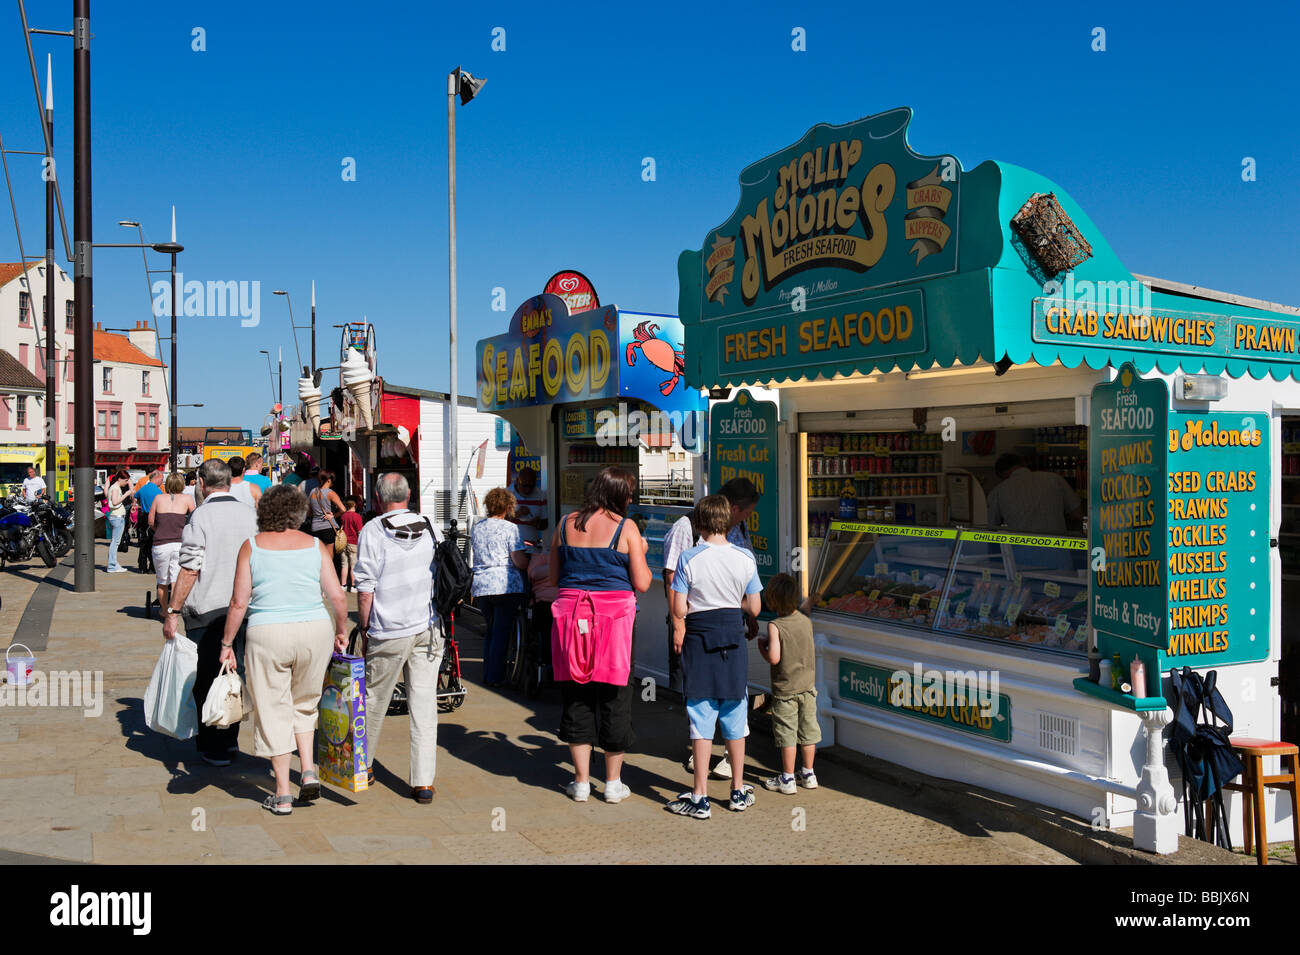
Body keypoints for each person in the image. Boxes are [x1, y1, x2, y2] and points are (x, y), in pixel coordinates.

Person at [219, 484, 346, 814]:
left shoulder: (252, 547)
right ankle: (307, 770)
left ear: (265, 513)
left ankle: (282, 793)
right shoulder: (315, 545)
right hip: (315, 630)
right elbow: (337, 596)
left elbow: (238, 602)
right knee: (305, 702)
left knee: (274, 707)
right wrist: (342, 630)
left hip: (268, 632)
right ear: (299, 513)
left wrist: (227, 643)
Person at [548, 467, 652, 803]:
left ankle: (580, 782)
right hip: (614, 623)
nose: (632, 499)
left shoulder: (565, 524)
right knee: (614, 696)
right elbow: (643, 582)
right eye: (629, 493)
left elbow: (553, 578)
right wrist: (643, 553)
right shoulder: (627, 528)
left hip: (571, 619)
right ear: (618, 495)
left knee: (576, 696)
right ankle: (611, 782)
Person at [666, 494, 763, 819]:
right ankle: (737, 790)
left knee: (701, 717)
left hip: (699, 639)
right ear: (727, 520)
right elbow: (755, 607)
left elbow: (679, 608)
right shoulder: (745, 558)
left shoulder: (689, 559)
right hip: (732, 640)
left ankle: (700, 796)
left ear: (702, 523)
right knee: (736, 716)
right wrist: (735, 604)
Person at [354, 473, 445, 803]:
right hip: (428, 626)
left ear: (379, 498)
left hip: (388, 629)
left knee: (375, 700)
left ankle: (362, 766)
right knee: (423, 705)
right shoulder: (428, 525)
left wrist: (364, 628)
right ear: (409, 495)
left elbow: (365, 589)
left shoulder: (373, 531)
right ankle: (423, 782)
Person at [162, 459, 259, 765]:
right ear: (229, 482)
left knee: (206, 677)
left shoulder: (201, 517)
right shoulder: (250, 514)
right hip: (244, 608)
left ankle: (212, 744)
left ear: (201, 483)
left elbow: (190, 568)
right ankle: (228, 741)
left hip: (207, 608)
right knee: (234, 674)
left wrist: (173, 610)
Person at [757, 573, 819, 794]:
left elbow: (774, 657)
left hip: (785, 691)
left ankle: (787, 778)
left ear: (772, 600)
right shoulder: (806, 621)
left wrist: (762, 648)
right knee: (808, 731)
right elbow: (804, 613)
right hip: (808, 688)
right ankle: (809, 773)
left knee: (787, 734)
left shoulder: (775, 625)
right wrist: (812, 599)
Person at [470, 488, 529, 687]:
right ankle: (495, 677)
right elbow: (518, 561)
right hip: (505, 585)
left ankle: (488, 673)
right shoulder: (510, 529)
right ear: (507, 507)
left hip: (482, 586)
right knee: (501, 632)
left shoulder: (477, 528)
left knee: (491, 630)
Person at [986, 453, 1082, 536]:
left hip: (1021, 553)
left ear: (1001, 474)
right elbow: (1077, 513)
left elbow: (991, 528)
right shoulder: (1054, 479)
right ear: (1022, 464)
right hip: (1057, 550)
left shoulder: (997, 491)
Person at [149, 471, 195, 617]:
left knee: (162, 581)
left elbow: (150, 521)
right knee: (176, 579)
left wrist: (159, 529)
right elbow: (195, 519)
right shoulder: (187, 498)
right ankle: (173, 609)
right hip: (179, 544)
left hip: (161, 543)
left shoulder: (158, 498)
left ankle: (163, 610)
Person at [527, 535, 557, 681]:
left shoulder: (569, 556)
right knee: (546, 628)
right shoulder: (540, 555)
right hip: (544, 601)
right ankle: (548, 662)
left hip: (564, 601)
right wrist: (555, 567)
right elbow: (533, 574)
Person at [307, 469, 345, 577]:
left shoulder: (312, 492)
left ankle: (318, 580)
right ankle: (326, 582)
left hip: (315, 528)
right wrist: (333, 515)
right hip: (328, 527)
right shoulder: (330, 493)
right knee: (328, 558)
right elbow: (343, 509)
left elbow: (309, 512)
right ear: (328, 480)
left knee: (318, 556)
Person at [507, 466, 548, 544]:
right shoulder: (507, 495)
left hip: (532, 546)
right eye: (524, 485)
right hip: (510, 546)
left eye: (531, 486)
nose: (528, 489)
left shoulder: (540, 495)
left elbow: (545, 523)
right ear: (517, 481)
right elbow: (498, 521)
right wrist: (517, 514)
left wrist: (538, 524)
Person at [105, 469, 134, 573]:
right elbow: (115, 502)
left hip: (115, 516)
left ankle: (113, 563)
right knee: (115, 542)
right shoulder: (116, 488)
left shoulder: (113, 487)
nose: (126, 483)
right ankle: (112, 565)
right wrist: (126, 494)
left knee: (114, 542)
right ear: (120, 479)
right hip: (117, 517)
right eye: (126, 480)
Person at [340, 497, 363, 592]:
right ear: (354, 505)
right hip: (354, 543)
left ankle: (343, 585)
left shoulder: (343, 516)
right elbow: (359, 532)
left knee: (344, 565)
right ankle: (353, 586)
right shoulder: (357, 517)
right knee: (354, 565)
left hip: (343, 543)